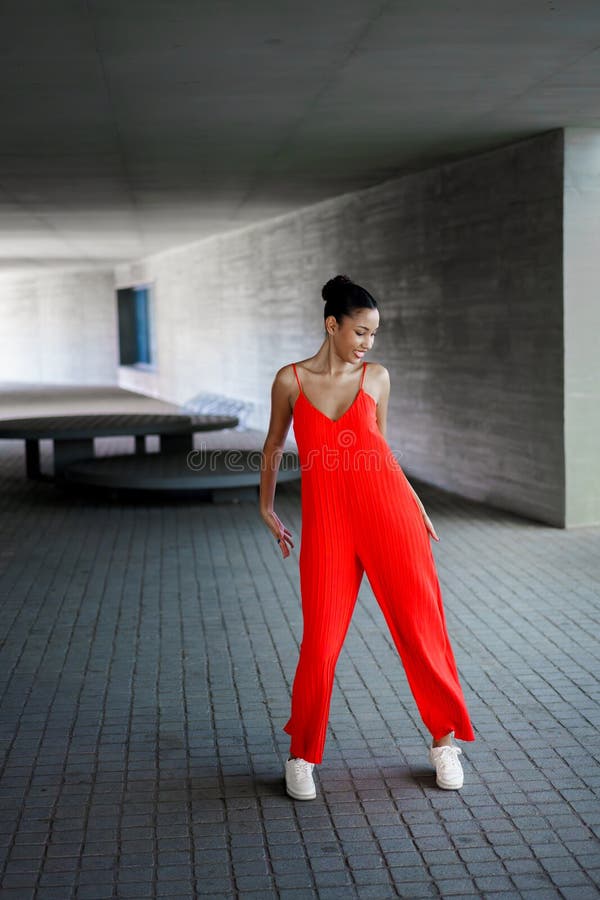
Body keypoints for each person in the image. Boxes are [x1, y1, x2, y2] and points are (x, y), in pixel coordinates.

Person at [259, 274, 475, 801]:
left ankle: (444, 743)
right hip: (329, 526)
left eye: (373, 335)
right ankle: (302, 754)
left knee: (421, 631)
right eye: (360, 332)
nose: (367, 345)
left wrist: (417, 504)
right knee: (321, 644)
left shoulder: (377, 378)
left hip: (390, 517)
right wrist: (265, 507)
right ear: (332, 325)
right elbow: (272, 446)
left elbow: (383, 448)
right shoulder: (289, 380)